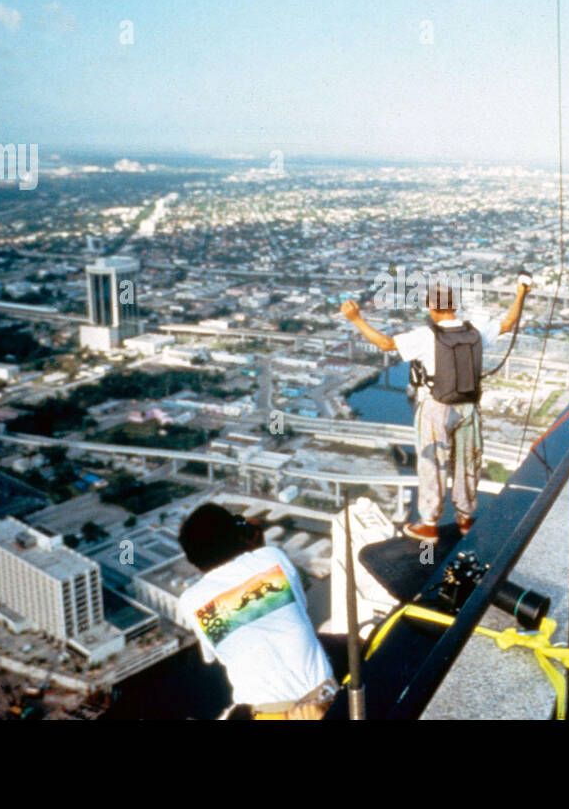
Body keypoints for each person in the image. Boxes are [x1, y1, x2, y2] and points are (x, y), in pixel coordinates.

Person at [341, 277, 530, 543]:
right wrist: (521, 293)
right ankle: (465, 518)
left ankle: (429, 524)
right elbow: (509, 323)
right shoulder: (475, 330)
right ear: (454, 305)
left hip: (436, 407)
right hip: (469, 405)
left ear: (432, 307)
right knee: (467, 462)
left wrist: (356, 318)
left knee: (433, 463)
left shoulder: (425, 336)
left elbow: (385, 344)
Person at [176, 502, 337, 719]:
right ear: (238, 535)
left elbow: (212, 656)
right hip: (327, 701)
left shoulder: (191, 601)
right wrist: (255, 546)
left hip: (271, 714)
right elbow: (301, 605)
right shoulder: (272, 558)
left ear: (193, 561)